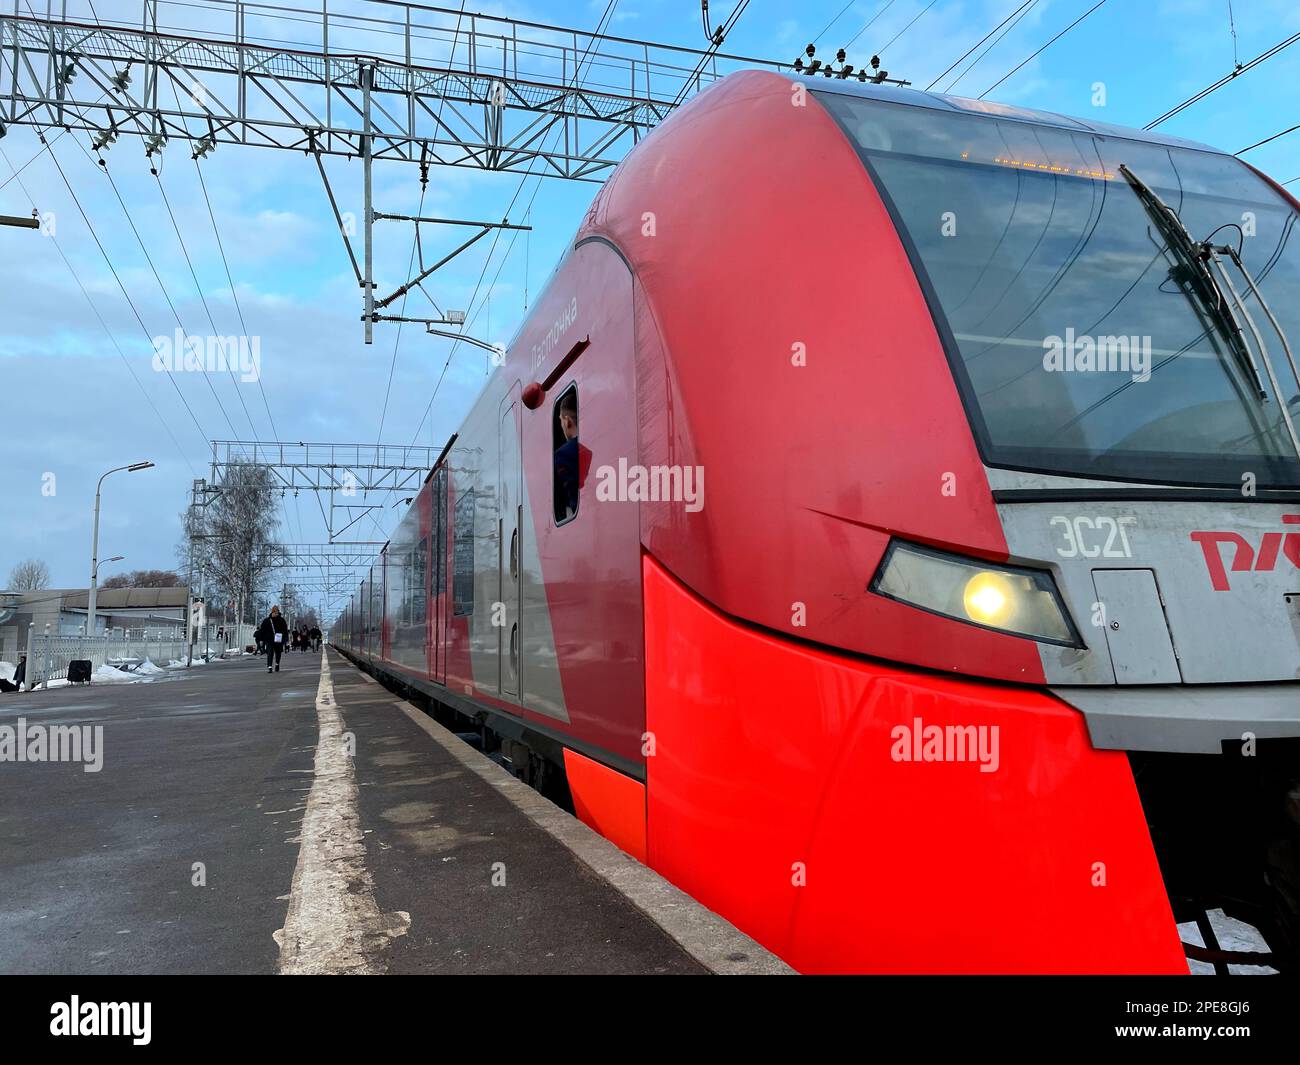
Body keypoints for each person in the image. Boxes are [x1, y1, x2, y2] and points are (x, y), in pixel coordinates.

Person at [257, 605, 289, 673]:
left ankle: (277, 664)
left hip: (278, 639)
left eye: (277, 612)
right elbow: (262, 630)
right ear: (272, 612)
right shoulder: (267, 620)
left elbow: (285, 630)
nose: (276, 614)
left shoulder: (281, 620)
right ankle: (270, 667)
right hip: (269, 640)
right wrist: (261, 640)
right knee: (270, 652)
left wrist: (285, 639)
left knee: (278, 652)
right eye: (275, 612)